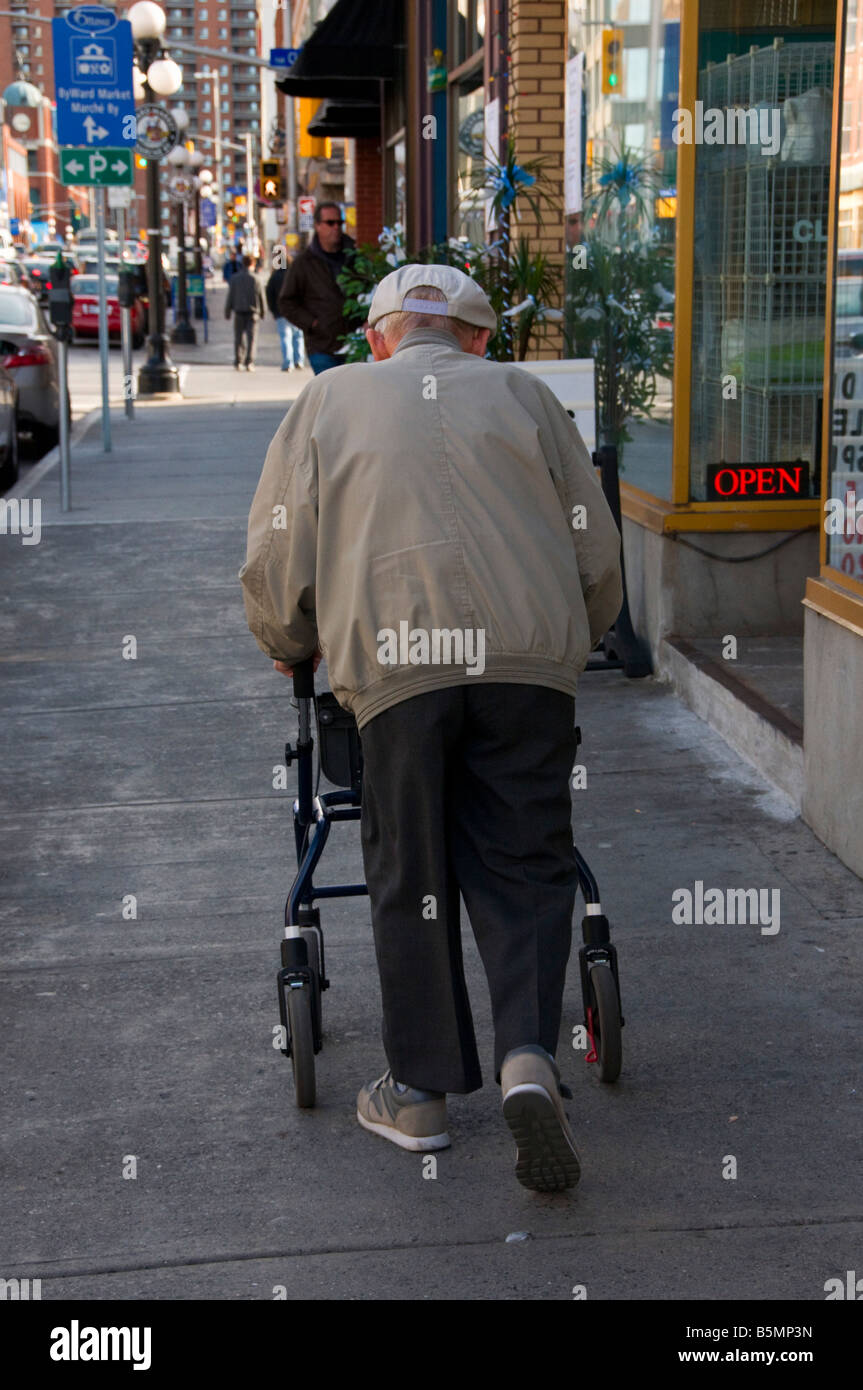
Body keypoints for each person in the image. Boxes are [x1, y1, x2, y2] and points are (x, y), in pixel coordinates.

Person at [240, 265, 623, 1193]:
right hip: (527, 667)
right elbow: (595, 545)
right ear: (479, 339)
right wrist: (579, 633)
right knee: (527, 859)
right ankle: (527, 1054)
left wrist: (288, 642)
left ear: (376, 338)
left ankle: (418, 1096)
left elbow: (280, 546)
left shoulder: (328, 398)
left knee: (409, 868)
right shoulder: (526, 395)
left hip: (399, 665)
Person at [276, 202, 357, 374]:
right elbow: (286, 302)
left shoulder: (354, 256)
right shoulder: (304, 263)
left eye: (339, 223)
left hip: (355, 343)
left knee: (352, 397)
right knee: (331, 396)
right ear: (318, 226)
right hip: (322, 346)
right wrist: (312, 323)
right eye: (330, 223)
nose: (336, 227)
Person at [224, 253, 265, 371]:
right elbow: (261, 297)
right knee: (251, 338)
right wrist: (263, 311)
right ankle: (249, 361)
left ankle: (238, 360)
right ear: (253, 264)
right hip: (253, 313)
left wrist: (227, 311)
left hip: (239, 311)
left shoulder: (235, 278)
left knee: (238, 338)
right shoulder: (256, 279)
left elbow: (230, 296)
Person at [266, 253, 305, 372]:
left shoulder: (274, 277)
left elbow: (269, 294)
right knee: (298, 336)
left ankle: (288, 363)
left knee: (285, 337)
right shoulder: (295, 275)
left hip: (281, 312)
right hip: (297, 311)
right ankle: (299, 361)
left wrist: (273, 310)